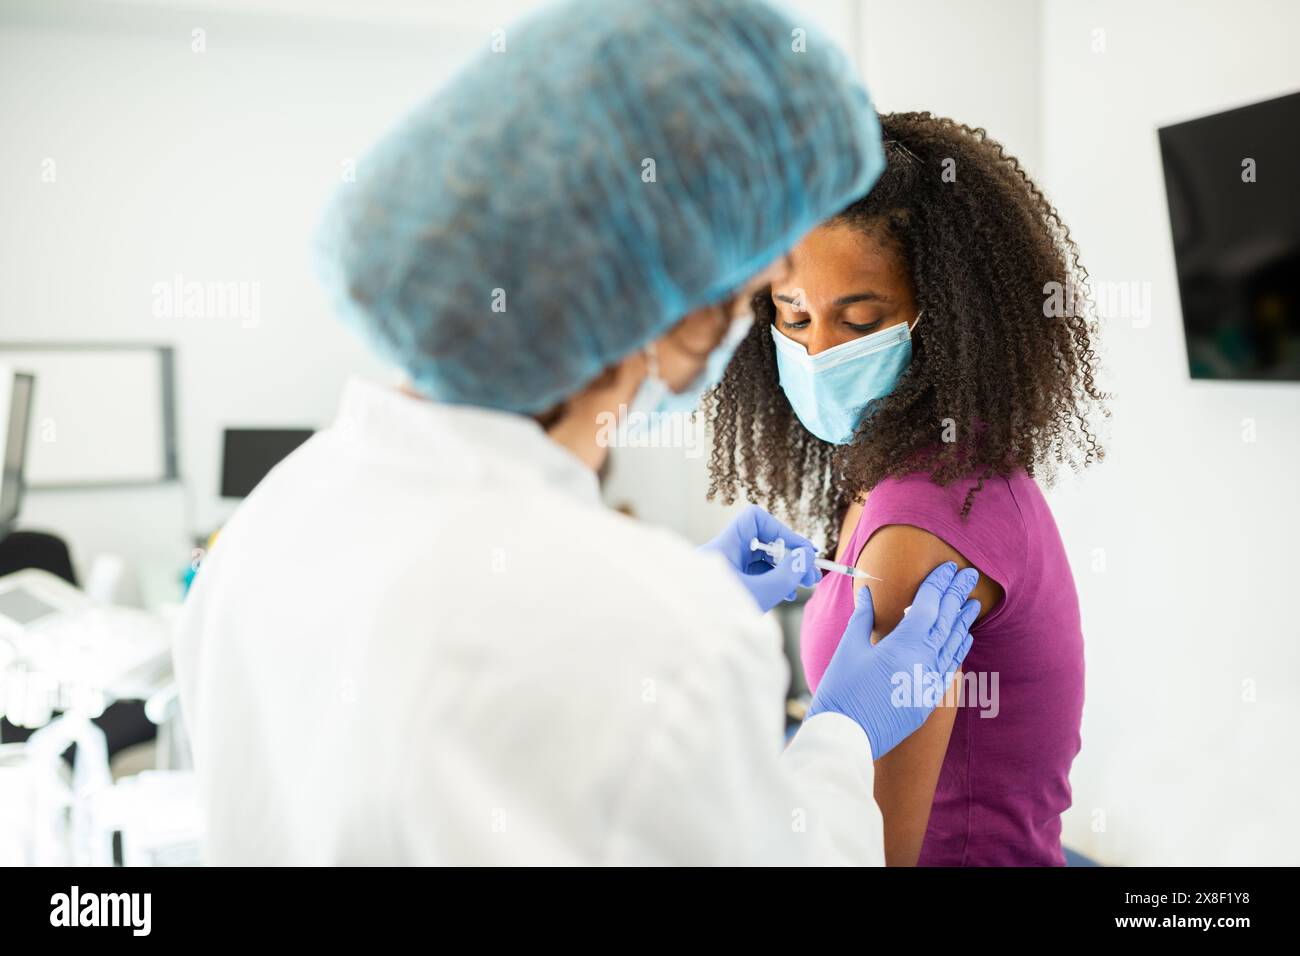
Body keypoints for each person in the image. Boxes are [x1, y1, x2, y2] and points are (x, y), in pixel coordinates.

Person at [173, 0, 979, 865]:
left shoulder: (265, 528)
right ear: (683, 307)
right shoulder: (667, 636)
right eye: (768, 287)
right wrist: (842, 735)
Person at [705, 111, 1107, 865]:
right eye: (793, 316)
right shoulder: (917, 465)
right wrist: (699, 600)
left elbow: (876, 854)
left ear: (947, 320)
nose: (817, 352)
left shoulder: (917, 533)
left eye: (860, 323)